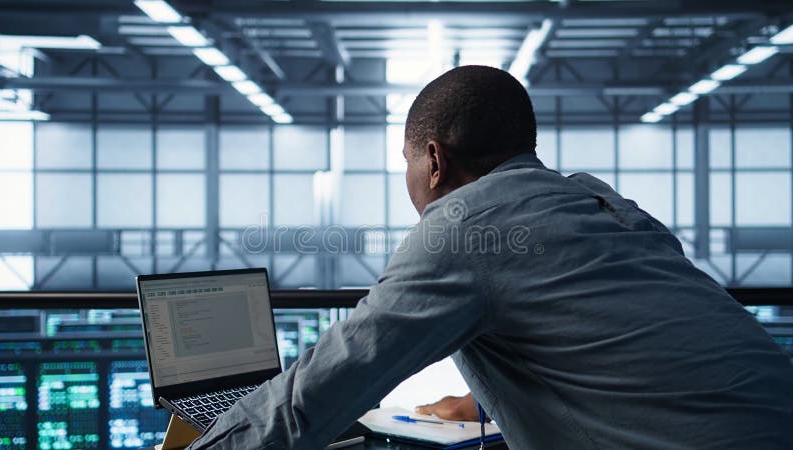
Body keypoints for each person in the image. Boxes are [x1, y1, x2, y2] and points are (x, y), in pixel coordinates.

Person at [189, 66, 793, 449]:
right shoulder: (601, 202)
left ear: (433, 158)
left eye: (405, 162)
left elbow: (316, 395)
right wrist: (491, 402)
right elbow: (635, 342)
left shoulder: (462, 228)